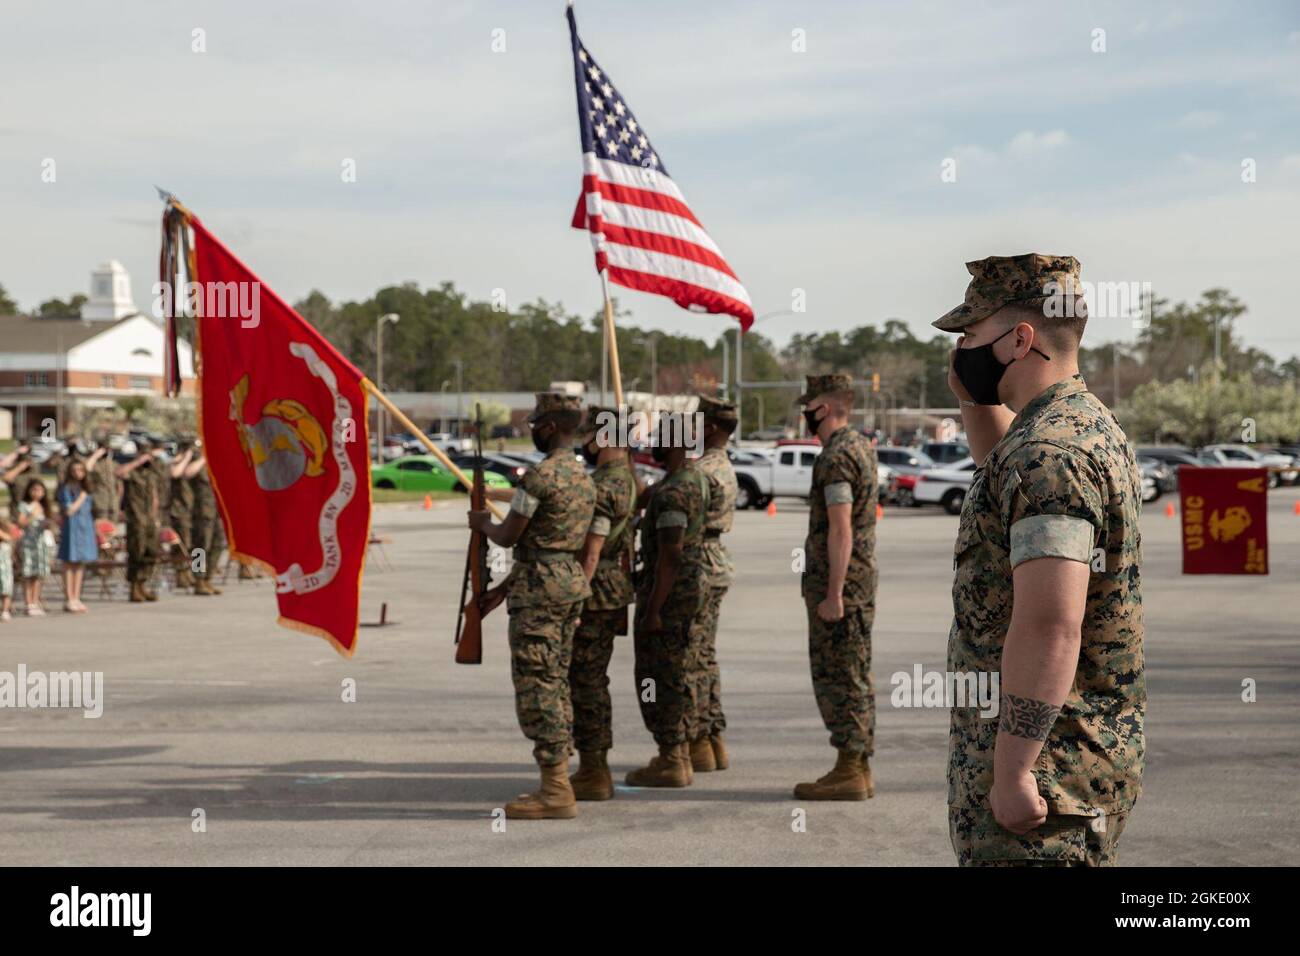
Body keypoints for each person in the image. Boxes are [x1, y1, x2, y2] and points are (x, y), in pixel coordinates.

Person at [937, 253, 1145, 867]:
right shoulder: (1072, 427)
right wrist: (974, 399)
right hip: (1069, 747)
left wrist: (1016, 770)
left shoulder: (1051, 452)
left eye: (971, 336)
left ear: (1018, 339)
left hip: (1050, 765)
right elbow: (1006, 478)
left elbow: (1051, 622)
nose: (962, 351)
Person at [468, 393, 595, 820]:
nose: (533, 431)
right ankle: (558, 778)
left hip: (540, 592)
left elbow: (508, 537)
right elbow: (546, 544)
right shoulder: (582, 477)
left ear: (550, 427)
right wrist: (504, 587)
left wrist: (483, 522)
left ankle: (556, 788)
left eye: (536, 424)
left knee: (537, 686)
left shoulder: (540, 477)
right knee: (556, 681)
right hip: (566, 584)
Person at [794, 373, 879, 801]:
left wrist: (833, 594)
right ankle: (857, 767)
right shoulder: (860, 446)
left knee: (838, 676)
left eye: (808, 408)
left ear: (823, 409)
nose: (805, 415)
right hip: (859, 581)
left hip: (843, 587)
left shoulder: (835, 457)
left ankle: (850, 766)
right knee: (855, 672)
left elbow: (840, 529)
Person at [627, 410, 710, 789]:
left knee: (661, 674)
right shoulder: (690, 480)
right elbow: (643, 496)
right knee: (682, 670)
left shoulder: (676, 492)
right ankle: (680, 752)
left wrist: (654, 609)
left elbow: (671, 554)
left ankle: (672, 757)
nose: (654, 444)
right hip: (689, 589)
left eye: (661, 438)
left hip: (670, 594)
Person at [567, 405, 637, 801]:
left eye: (592, 434)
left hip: (595, 595)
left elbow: (591, 552)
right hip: (610, 590)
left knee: (587, 682)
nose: (587, 442)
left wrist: (576, 599)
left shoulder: (605, 485)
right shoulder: (624, 478)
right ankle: (593, 766)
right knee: (592, 680)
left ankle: (594, 769)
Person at [688, 395, 740, 772]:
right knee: (704, 655)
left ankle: (697, 743)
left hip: (697, 564)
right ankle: (712, 738)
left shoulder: (701, 471)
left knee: (690, 658)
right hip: (715, 561)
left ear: (708, 427)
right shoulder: (722, 464)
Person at [116, 440, 165, 603]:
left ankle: (143, 584)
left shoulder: (152, 472)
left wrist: (155, 517)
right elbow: (120, 473)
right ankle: (134, 587)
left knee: (151, 552)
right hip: (136, 519)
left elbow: (155, 496)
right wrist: (138, 461)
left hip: (150, 519)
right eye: (144, 453)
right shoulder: (132, 471)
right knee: (136, 552)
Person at [57, 457, 99, 613]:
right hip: (72, 527)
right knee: (69, 562)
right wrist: (81, 497)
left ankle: (76, 596)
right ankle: (69, 597)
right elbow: (69, 510)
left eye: (81, 470)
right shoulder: (67, 488)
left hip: (85, 527)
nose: (78, 473)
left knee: (80, 563)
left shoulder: (87, 487)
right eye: (75, 470)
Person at [189, 447, 226, 595]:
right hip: (201, 512)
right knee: (200, 547)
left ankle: (208, 579)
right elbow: (188, 473)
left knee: (217, 544)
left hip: (217, 510)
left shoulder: (218, 462)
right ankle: (198, 580)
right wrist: (205, 457)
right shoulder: (197, 460)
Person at [17, 477, 53, 616]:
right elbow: (21, 523)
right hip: (28, 543)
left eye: (40, 490)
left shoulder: (44, 506)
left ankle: (35, 600)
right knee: (28, 573)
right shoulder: (25, 505)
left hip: (41, 543)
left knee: (38, 574)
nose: (37, 493)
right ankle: (28, 603)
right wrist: (32, 515)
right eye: (34, 490)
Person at [168, 443, 197, 589]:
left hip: (195, 510)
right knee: (181, 545)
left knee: (198, 546)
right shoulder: (175, 463)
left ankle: (197, 573)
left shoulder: (196, 463)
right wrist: (185, 457)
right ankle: (181, 575)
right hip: (179, 511)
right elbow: (177, 473)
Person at [87, 431, 121, 523]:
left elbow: (119, 485)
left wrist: (118, 501)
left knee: (112, 531)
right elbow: (86, 467)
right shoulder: (95, 464)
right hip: (100, 504)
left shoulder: (113, 464)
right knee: (100, 532)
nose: (107, 451)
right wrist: (97, 455)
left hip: (113, 504)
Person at [2, 445, 33, 523]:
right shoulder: (15, 469)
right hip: (17, 511)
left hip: (31, 510)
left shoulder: (33, 471)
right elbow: (5, 474)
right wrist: (20, 466)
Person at [0, 515, 15, 622]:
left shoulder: (6, 529)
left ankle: (5, 610)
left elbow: (12, 537)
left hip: (4, 568)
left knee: (6, 588)